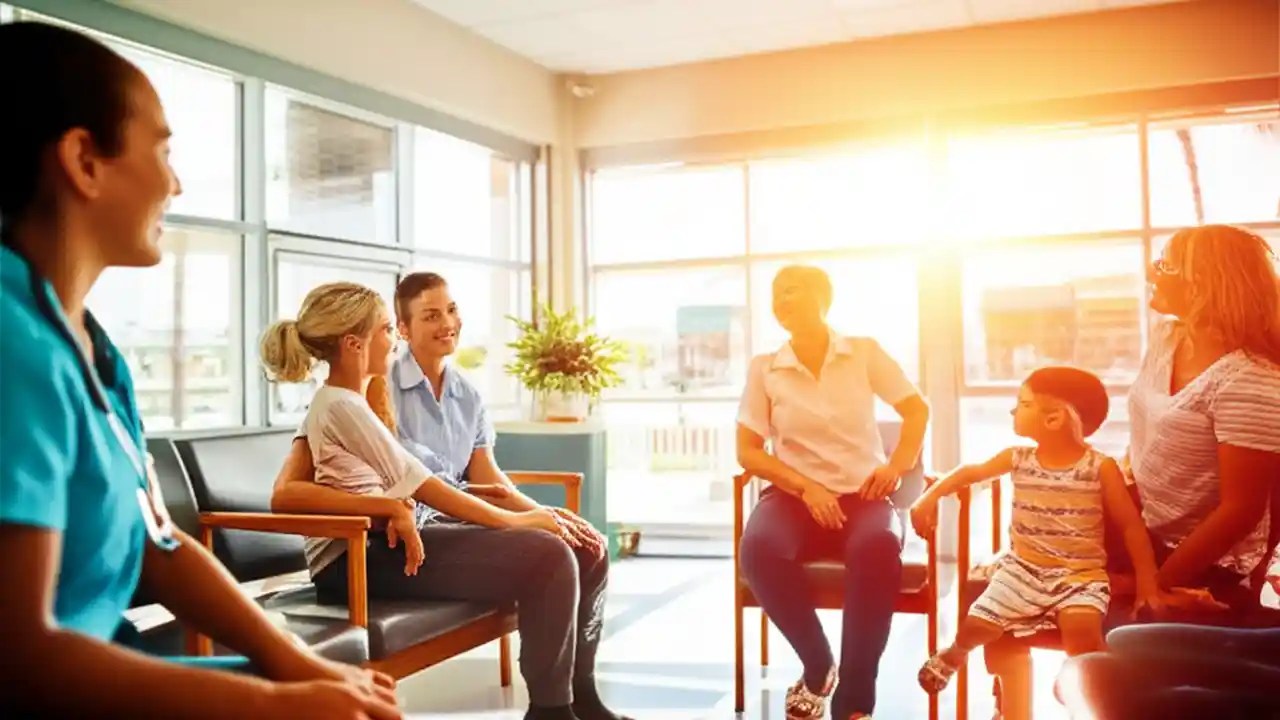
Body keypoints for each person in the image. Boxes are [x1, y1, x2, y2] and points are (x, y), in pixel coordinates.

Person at [0, 22, 400, 720]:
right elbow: (19, 659)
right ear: (84, 160)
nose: (175, 182)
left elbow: (157, 542)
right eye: (162, 151)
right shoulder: (12, 348)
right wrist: (278, 704)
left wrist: (296, 665)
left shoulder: (93, 351)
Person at [267, 273, 626, 720]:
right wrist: (516, 523)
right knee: (546, 556)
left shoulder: (363, 399)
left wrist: (536, 513)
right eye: (389, 328)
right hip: (363, 554)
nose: (446, 322)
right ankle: (551, 711)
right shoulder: (346, 403)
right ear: (368, 339)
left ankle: (574, 698)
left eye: (451, 310)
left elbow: (468, 481)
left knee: (570, 546)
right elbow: (419, 487)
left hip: (398, 535)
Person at [986, 225, 1280, 719]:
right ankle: (1012, 708)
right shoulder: (1168, 336)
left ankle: (1102, 693)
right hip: (1140, 517)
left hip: (1198, 552)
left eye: (1165, 265)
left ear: (1203, 284)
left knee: (1085, 613)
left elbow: (1240, 510)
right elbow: (1147, 436)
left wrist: (1156, 583)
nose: (1151, 273)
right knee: (1000, 589)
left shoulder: (1251, 378)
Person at [910, 367, 1197, 695]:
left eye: (1024, 403)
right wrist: (928, 499)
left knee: (1082, 632)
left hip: (1080, 576)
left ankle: (1091, 686)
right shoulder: (1017, 458)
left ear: (1054, 419)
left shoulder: (1099, 467)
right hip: (1022, 571)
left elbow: (1131, 526)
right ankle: (955, 653)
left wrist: (1149, 583)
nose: (1013, 410)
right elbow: (969, 473)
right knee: (978, 623)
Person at [735, 265, 930, 720]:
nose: (783, 301)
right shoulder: (767, 367)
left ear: (824, 298)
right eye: (776, 294)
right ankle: (818, 665)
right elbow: (747, 451)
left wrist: (897, 465)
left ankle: (855, 698)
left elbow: (916, 409)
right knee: (759, 548)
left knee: (879, 545)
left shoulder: (862, 352)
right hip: (792, 496)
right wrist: (807, 487)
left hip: (864, 495)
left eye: (793, 290)